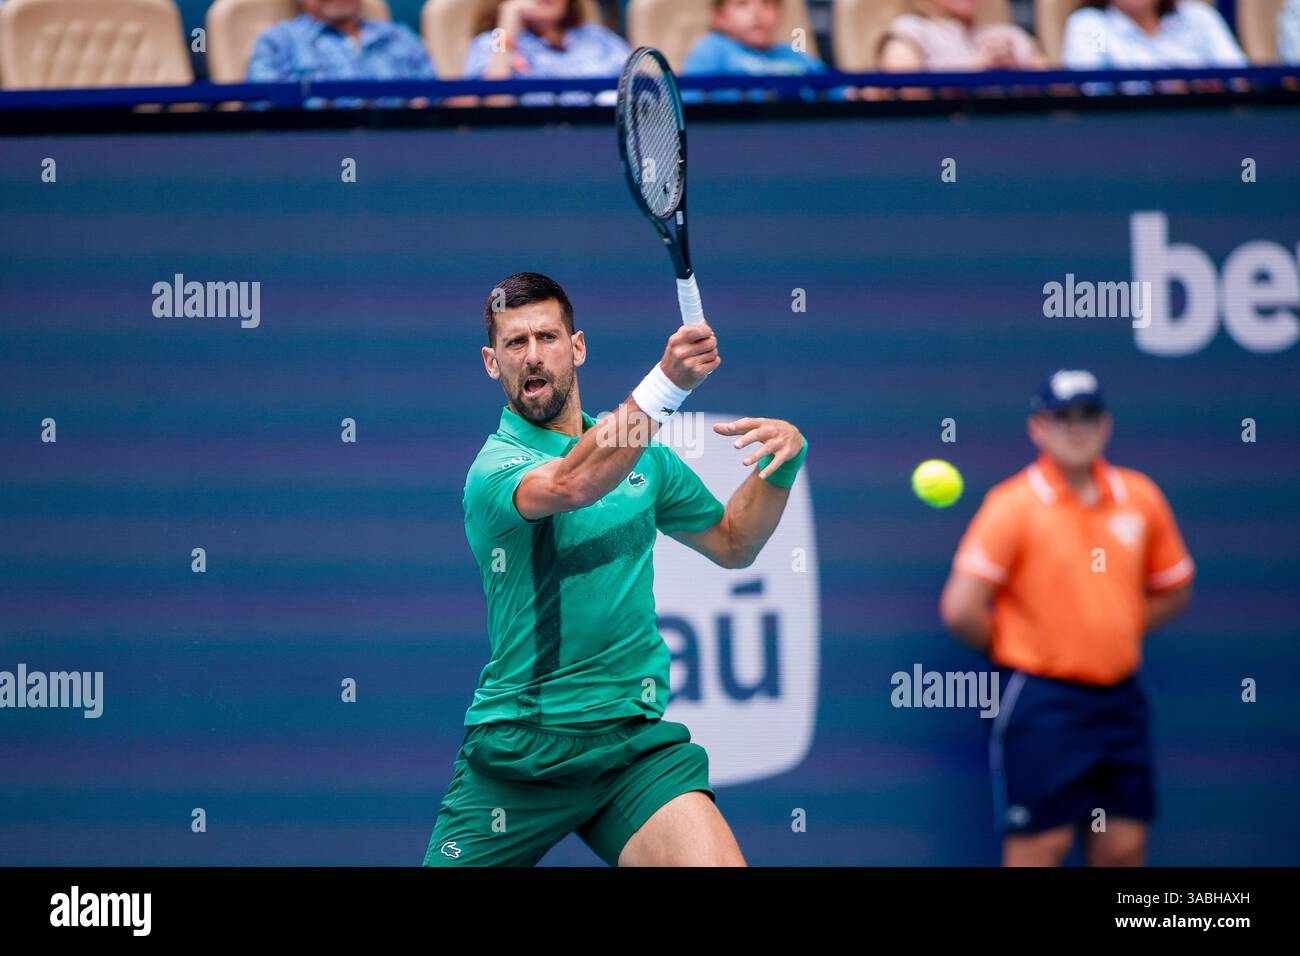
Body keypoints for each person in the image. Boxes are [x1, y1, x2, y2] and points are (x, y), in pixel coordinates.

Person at [422, 272, 808, 866]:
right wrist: (666, 386)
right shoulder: (495, 470)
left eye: (547, 338)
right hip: (522, 752)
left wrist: (779, 467)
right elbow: (575, 481)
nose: (532, 356)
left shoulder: (645, 461)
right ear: (491, 362)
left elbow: (734, 542)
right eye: (514, 343)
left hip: (631, 745)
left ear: (577, 347)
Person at [940, 370, 1194, 866]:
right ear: (1039, 428)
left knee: (1122, 848)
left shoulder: (1141, 497)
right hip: (1043, 703)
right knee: (1043, 847)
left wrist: (1110, 629)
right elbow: (961, 609)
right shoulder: (1011, 505)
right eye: (1063, 418)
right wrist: (1027, 645)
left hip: (1121, 700)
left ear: (1106, 426)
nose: (1076, 429)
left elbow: (1175, 587)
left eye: (1088, 417)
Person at [247, 0, 436, 107]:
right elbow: (265, 111)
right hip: (319, 157)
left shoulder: (398, 36)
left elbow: (438, 98)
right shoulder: (278, 42)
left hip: (402, 152)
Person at [464, 0, 630, 105]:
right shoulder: (494, 39)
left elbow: (644, 82)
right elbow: (495, 103)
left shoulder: (596, 36)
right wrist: (506, 28)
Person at [1061, 0, 1247, 69]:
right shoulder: (1095, 26)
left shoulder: (1197, 17)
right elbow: (1090, 83)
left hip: (1205, 124)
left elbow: (1238, 75)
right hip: (1127, 129)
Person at [877, 0, 1045, 71]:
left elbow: (1063, 86)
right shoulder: (910, 30)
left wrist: (1017, 69)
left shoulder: (1007, 35)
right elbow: (905, 89)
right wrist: (977, 67)